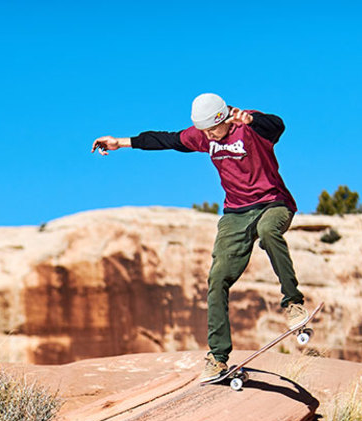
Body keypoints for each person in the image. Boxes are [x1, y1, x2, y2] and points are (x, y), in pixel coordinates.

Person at [91, 93, 307, 383]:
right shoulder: (205, 135)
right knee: (217, 279)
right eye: (204, 132)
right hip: (235, 213)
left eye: (212, 130)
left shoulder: (248, 125)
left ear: (223, 118)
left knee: (268, 232)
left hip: (273, 204)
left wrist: (252, 119)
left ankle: (293, 303)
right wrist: (121, 142)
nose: (208, 137)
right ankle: (217, 358)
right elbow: (166, 140)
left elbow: (277, 126)